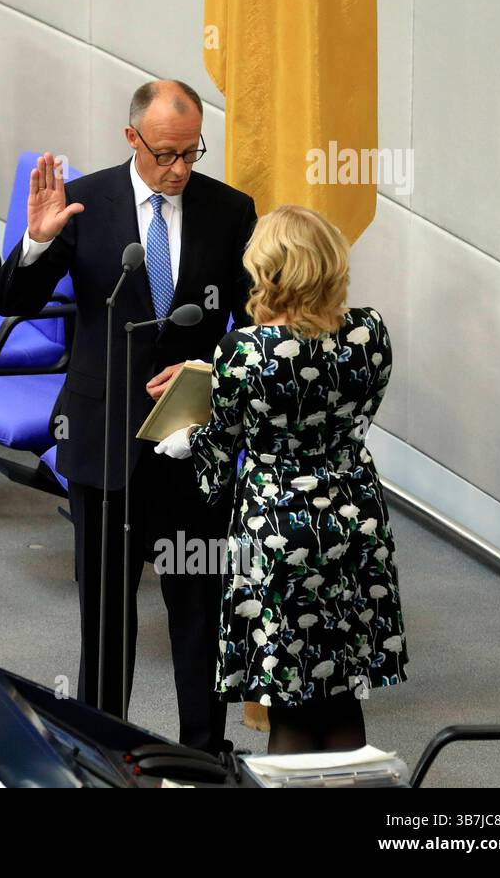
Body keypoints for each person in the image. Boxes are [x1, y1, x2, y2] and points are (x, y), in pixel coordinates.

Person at [0, 79, 256, 752]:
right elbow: (13, 303)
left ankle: (204, 758)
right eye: (164, 154)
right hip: (104, 443)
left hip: (192, 448)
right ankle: (102, 753)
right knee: (106, 623)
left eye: (190, 154)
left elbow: (256, 327)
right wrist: (32, 240)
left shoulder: (230, 211)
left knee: (198, 616)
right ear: (131, 138)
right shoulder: (87, 205)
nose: (178, 170)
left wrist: (212, 369)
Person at [156, 204, 408, 753]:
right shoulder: (370, 333)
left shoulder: (243, 351)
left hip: (279, 531)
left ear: (269, 272)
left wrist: (185, 441)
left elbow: (220, 454)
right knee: (342, 692)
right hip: (354, 520)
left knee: (289, 703)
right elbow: (354, 409)